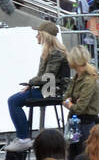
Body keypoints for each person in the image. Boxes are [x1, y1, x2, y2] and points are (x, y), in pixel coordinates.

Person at [8, 21, 68, 149]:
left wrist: (30, 83)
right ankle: (23, 137)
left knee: (13, 101)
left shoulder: (56, 53)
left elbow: (48, 76)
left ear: (45, 36)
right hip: (47, 88)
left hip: (51, 90)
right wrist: (30, 85)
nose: (36, 36)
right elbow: (43, 77)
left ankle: (23, 138)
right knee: (15, 99)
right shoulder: (49, 52)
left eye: (38, 34)